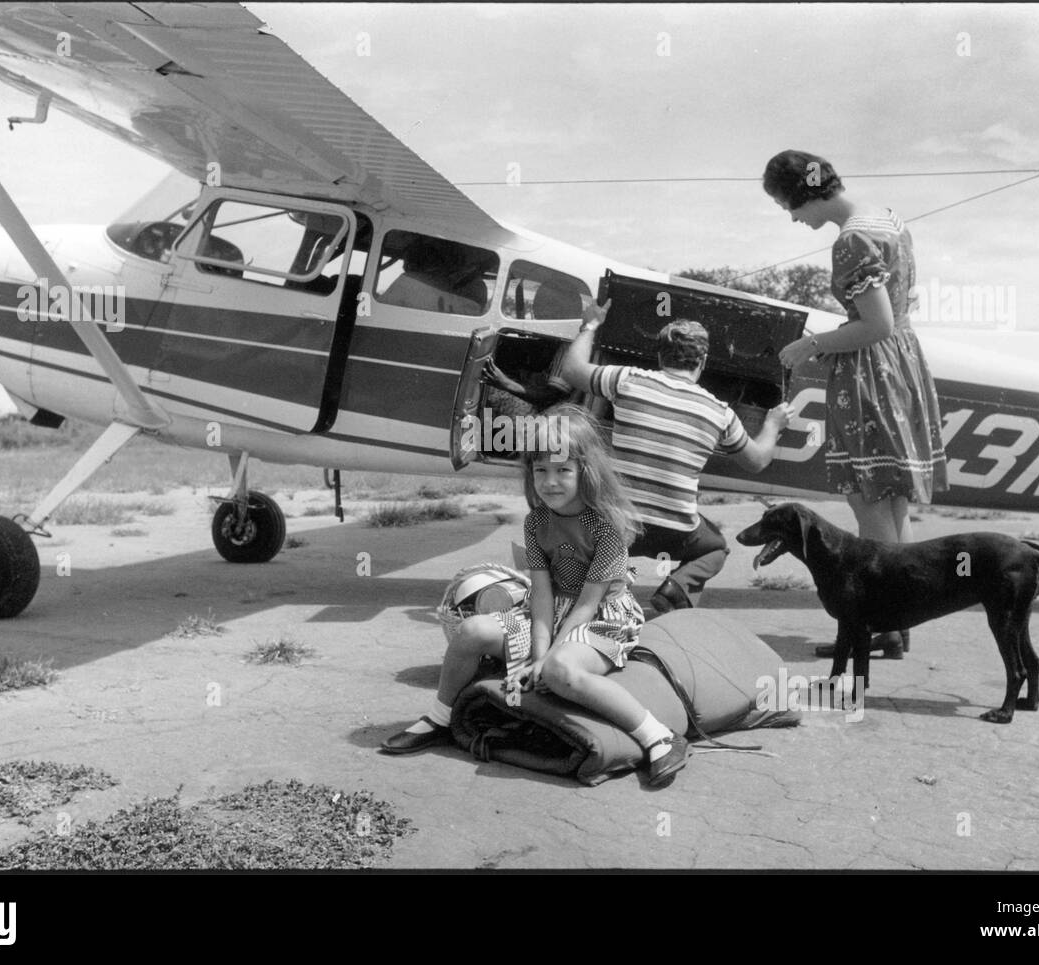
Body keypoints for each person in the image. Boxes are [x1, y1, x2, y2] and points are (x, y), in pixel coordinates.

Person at [382, 403, 692, 787]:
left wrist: (546, 662)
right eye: (540, 470)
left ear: (586, 471)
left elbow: (588, 604)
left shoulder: (607, 527)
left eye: (563, 470)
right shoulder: (537, 522)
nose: (550, 482)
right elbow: (541, 594)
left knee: (561, 672)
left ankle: (658, 736)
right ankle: (441, 717)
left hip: (602, 617)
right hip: (550, 612)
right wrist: (536, 654)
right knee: (471, 632)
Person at [763, 149, 948, 658]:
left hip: (870, 373)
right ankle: (896, 622)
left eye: (788, 206)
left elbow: (876, 324)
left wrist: (812, 344)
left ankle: (873, 621)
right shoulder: (888, 220)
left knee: (868, 501)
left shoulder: (850, 241)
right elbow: (895, 316)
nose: (794, 219)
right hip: (902, 363)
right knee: (891, 501)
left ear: (803, 194)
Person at [559, 305, 795, 612]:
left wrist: (589, 325)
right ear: (703, 362)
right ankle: (675, 591)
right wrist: (773, 425)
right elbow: (757, 461)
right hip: (675, 531)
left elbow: (572, 370)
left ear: (659, 356)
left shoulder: (627, 379)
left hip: (618, 523)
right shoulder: (720, 412)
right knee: (715, 549)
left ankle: (584, 583)